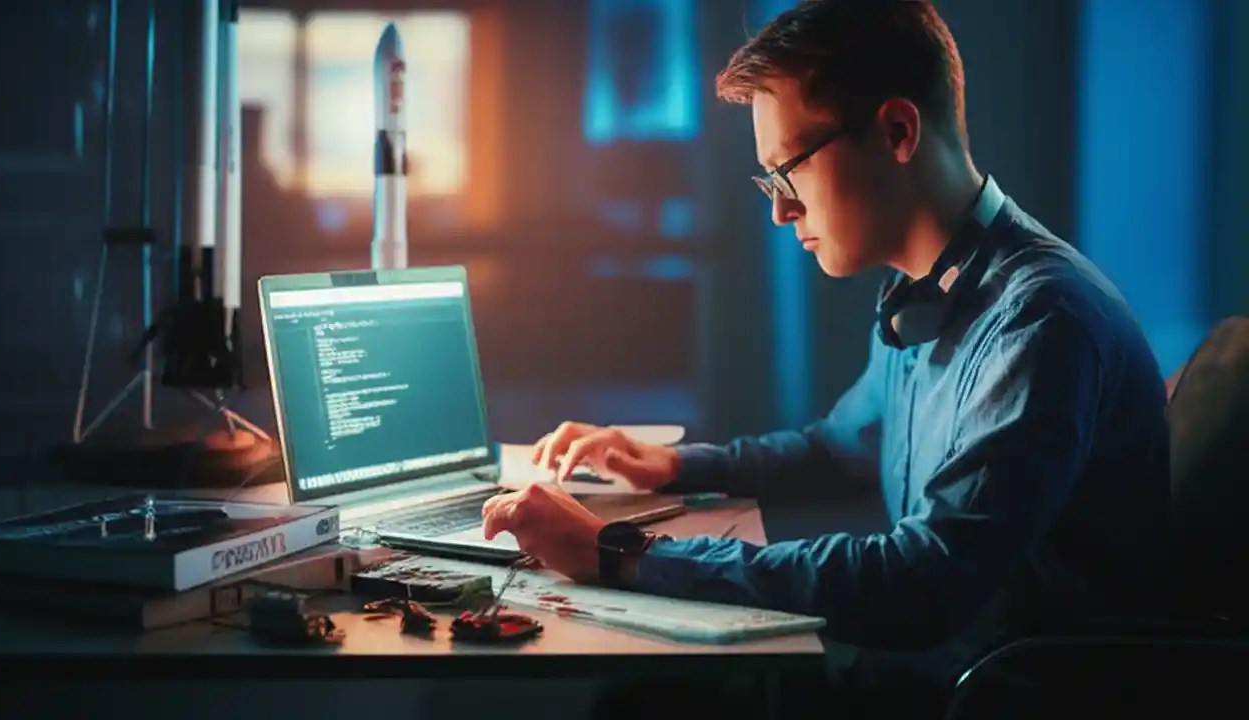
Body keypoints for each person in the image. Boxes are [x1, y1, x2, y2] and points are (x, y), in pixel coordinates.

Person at [482, 0, 1170, 714]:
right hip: (925, 675)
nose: (780, 210)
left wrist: (620, 553)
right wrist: (680, 465)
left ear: (898, 131)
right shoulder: (925, 289)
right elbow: (842, 445)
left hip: (984, 696)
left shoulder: (1038, 322)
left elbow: (923, 583)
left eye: (789, 170)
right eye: (767, 180)